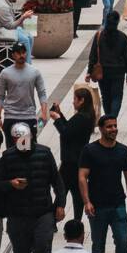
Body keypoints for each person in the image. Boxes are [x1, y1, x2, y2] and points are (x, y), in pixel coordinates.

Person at [0, 122, 66, 253]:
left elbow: (57, 181)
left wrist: (60, 204)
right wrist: (11, 184)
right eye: (19, 140)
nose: (23, 143)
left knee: (43, 250)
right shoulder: (7, 157)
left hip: (42, 212)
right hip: (17, 214)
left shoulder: (44, 154)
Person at [79, 114, 127, 253]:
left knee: (123, 241)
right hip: (97, 206)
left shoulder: (123, 151)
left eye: (115, 126)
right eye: (109, 126)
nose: (113, 129)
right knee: (98, 246)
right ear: (101, 129)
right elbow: (82, 176)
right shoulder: (90, 150)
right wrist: (87, 201)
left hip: (118, 203)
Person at [49, 86, 96, 222]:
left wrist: (57, 119)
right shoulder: (84, 116)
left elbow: (66, 133)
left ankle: (53, 219)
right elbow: (69, 127)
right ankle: (76, 219)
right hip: (78, 160)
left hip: (70, 161)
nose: (73, 102)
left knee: (61, 190)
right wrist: (61, 114)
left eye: (75, 99)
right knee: (76, 192)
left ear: (81, 101)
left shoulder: (81, 117)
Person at [0, 41, 49, 146]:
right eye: (19, 53)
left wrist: (43, 113)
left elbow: (42, 93)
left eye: (24, 52)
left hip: (29, 116)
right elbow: (0, 96)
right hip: (11, 116)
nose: (22, 55)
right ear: (13, 55)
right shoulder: (5, 73)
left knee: (29, 148)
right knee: (11, 149)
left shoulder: (35, 72)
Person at [86, 11, 127, 119]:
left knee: (106, 96)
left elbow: (93, 55)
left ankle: (108, 118)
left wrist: (89, 71)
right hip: (118, 71)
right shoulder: (122, 37)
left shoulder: (99, 36)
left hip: (103, 71)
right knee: (117, 96)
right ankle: (112, 118)